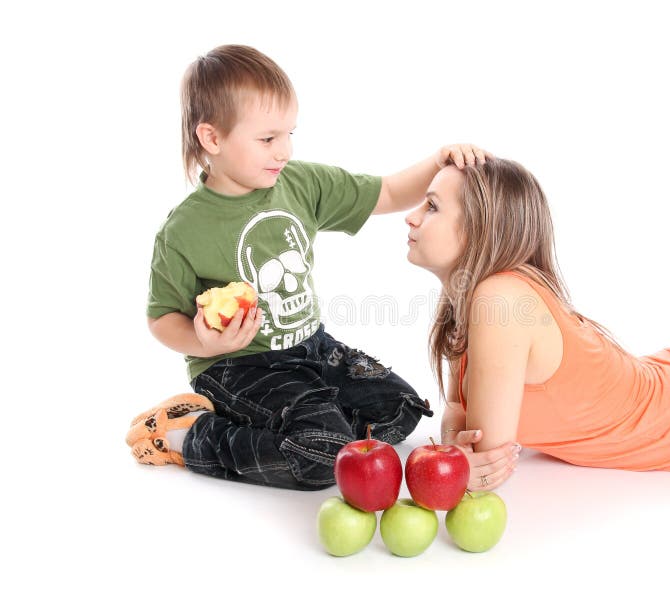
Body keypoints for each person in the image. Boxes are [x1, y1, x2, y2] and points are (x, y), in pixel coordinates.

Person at [127, 44, 492, 491]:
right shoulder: (182, 230)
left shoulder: (299, 183)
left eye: (289, 134)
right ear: (212, 138)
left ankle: (306, 425)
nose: (283, 150)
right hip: (237, 367)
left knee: (401, 412)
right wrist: (202, 339)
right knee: (324, 460)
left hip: (311, 347)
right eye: (267, 139)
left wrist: (440, 160)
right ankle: (191, 434)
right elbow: (161, 318)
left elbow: (391, 193)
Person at [404, 158, 670, 492]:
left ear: (480, 227)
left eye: (433, 207)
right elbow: (458, 408)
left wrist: (457, 456)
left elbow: (488, 458)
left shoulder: (500, 298)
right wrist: (457, 442)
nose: (411, 217)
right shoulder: (470, 304)